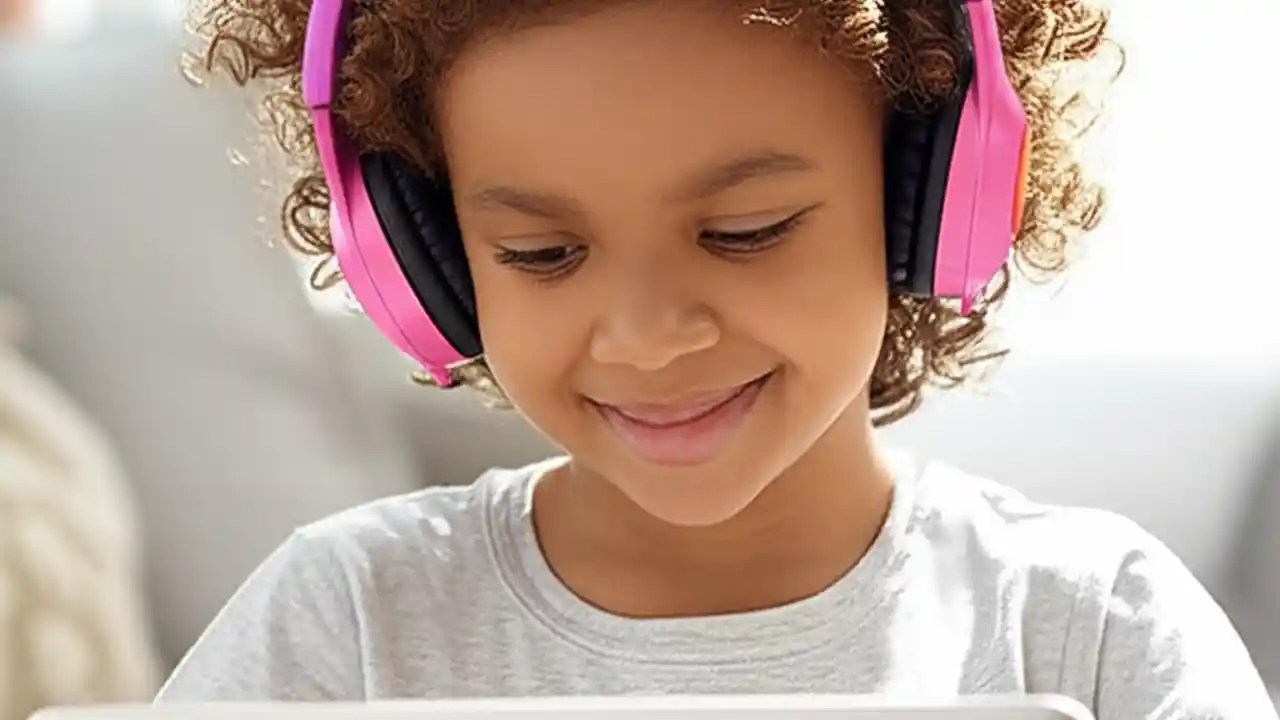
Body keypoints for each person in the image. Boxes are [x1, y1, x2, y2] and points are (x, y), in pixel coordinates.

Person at [157, 0, 1278, 717]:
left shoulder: (1089, 624)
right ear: (428, 262)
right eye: (543, 254)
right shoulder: (345, 619)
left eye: (746, 232)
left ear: (932, 196)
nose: (647, 336)